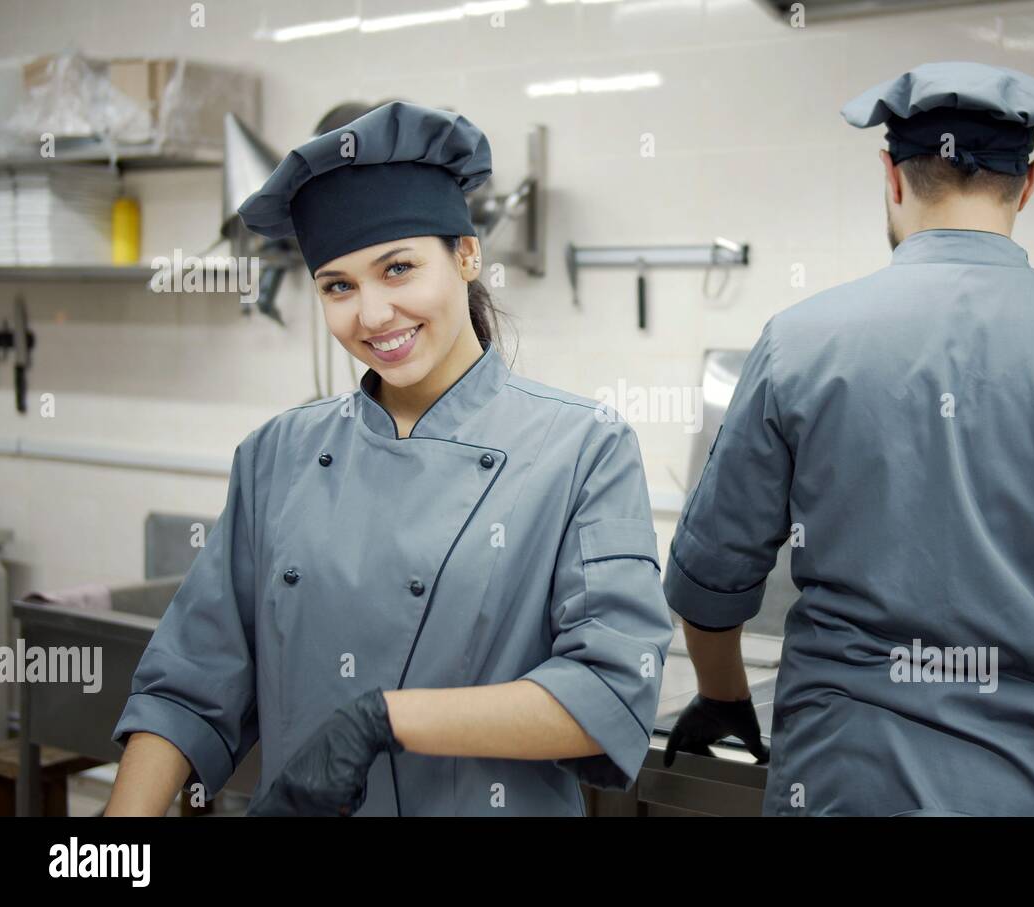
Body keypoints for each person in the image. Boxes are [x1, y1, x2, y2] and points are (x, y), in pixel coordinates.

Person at [660, 62, 1034, 816]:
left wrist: (723, 695)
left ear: (891, 178)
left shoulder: (797, 343)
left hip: (843, 787)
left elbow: (710, 582)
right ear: (1028, 183)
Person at [105, 102, 674, 817]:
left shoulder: (583, 446)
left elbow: (613, 687)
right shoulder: (276, 454)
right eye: (338, 286)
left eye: (398, 268)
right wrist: (115, 839)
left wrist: (382, 718)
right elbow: (187, 682)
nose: (372, 315)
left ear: (467, 255)